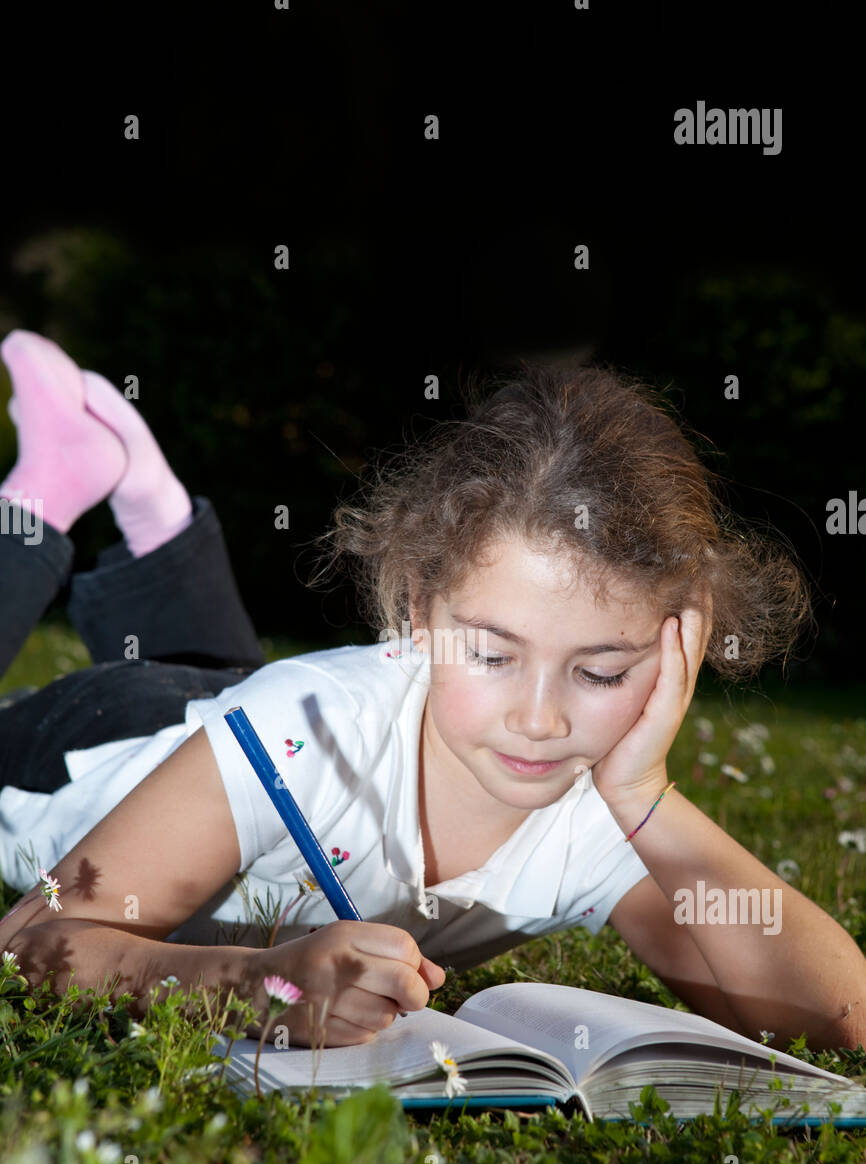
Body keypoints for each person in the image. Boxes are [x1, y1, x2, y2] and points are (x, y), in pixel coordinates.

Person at [1, 331, 864, 1054]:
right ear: (418, 607)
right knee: (243, 702)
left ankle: (155, 511)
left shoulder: (598, 807)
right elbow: (25, 948)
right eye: (492, 655)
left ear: (680, 641)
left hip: (264, 718)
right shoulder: (296, 729)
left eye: (602, 672)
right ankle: (44, 495)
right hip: (106, 736)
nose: (540, 720)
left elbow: (843, 1014)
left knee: (249, 693)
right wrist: (256, 987)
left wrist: (645, 797)